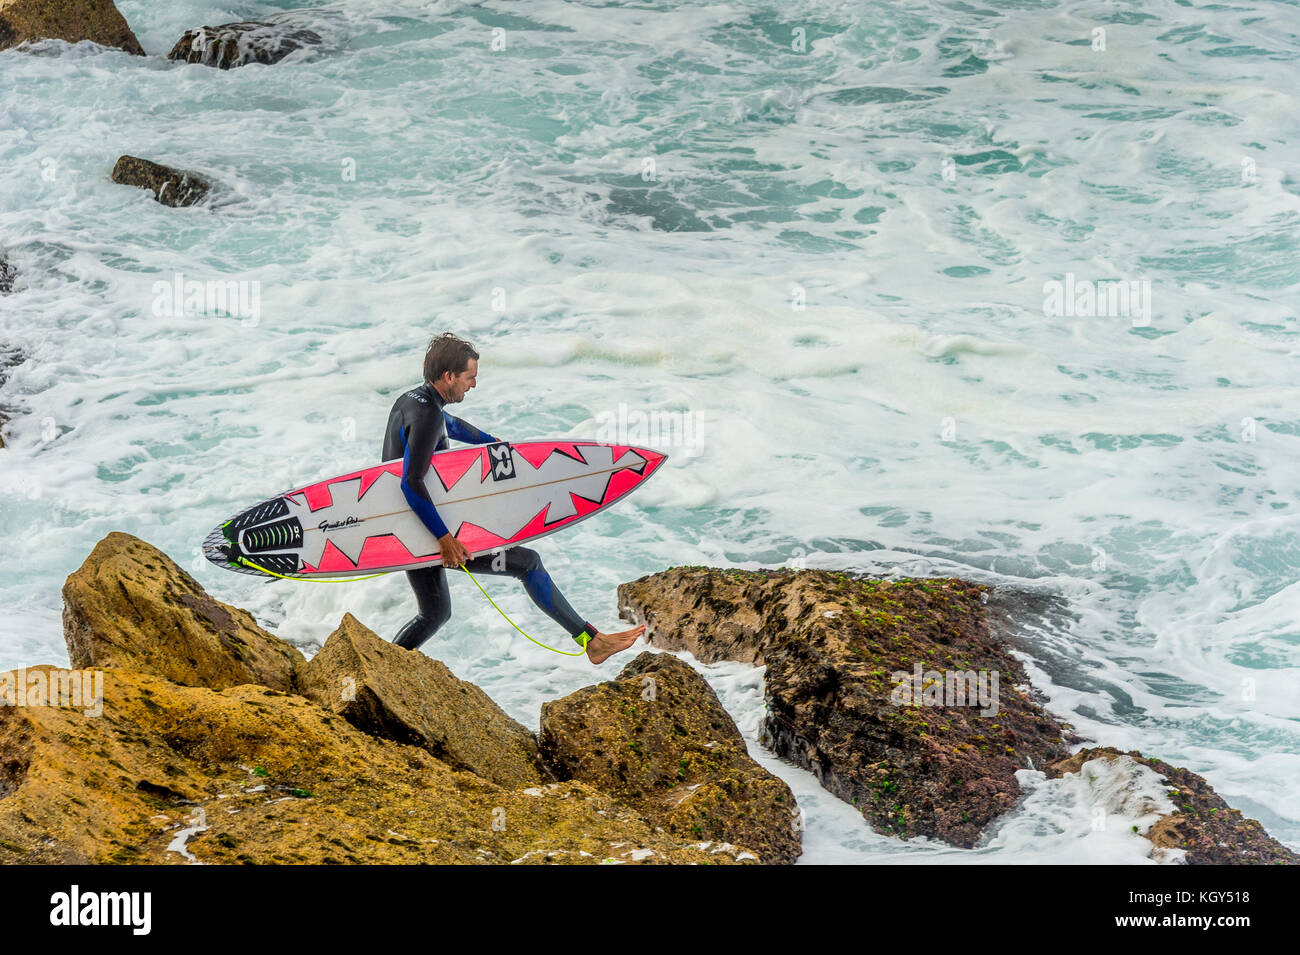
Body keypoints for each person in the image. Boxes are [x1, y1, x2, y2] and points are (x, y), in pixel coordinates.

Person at [382, 332, 645, 664]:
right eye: (469, 378)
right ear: (449, 376)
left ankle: (381, 666)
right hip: (428, 531)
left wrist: (493, 442)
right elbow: (410, 481)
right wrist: (445, 539)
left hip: (403, 526)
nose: (473, 385)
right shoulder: (429, 415)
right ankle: (592, 642)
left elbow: (451, 426)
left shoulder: (413, 401)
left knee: (434, 613)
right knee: (528, 564)